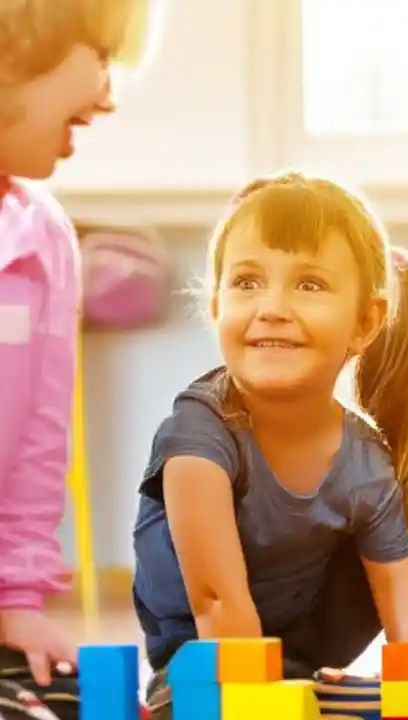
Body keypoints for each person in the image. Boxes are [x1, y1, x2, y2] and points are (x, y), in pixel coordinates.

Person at [131, 171, 408, 718]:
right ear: (217, 306)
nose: (271, 306)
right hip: (208, 670)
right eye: (247, 282)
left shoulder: (363, 459)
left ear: (366, 322)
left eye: (309, 284)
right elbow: (218, 608)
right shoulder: (198, 437)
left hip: (309, 672)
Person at [1, 0, 153, 717]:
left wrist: (16, 599)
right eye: (99, 56)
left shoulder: (45, 240)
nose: (109, 95)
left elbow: (38, 444)